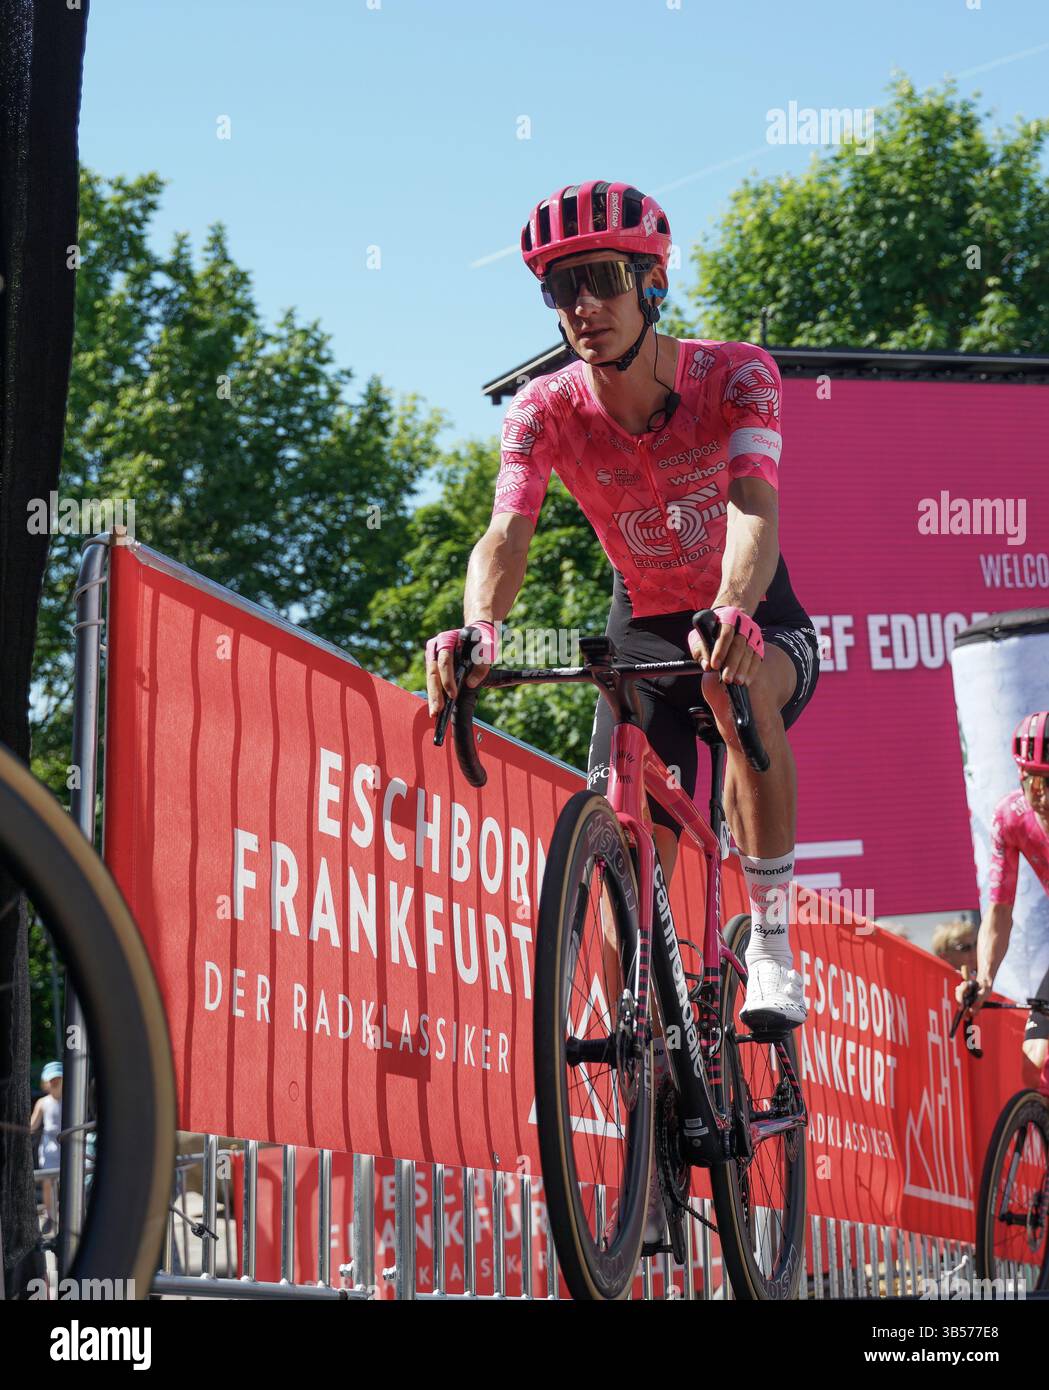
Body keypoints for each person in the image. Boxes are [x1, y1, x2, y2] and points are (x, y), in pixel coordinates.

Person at [427, 180, 820, 1027]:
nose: (583, 306)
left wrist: (731, 608)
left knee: (733, 685)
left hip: (756, 618)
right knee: (620, 828)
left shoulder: (735, 374)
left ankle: (773, 943)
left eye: (601, 277)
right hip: (642, 631)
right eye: (560, 288)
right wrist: (481, 627)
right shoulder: (542, 410)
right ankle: (639, 1066)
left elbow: (754, 505)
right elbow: (504, 534)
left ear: (652, 283)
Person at [956, 712, 1049, 1074]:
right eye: (1030, 781)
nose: (1037, 795)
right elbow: (999, 913)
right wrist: (984, 979)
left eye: (1047, 782)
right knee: (1034, 1064)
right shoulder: (1012, 818)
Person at [29, 1060, 63, 1235]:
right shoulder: (43, 1102)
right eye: (52, 1080)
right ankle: (50, 1215)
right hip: (49, 1149)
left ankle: (64, 1212)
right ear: (46, 1082)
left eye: (58, 1078)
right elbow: (33, 1125)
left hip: (67, 1148)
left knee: (67, 1181)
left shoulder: (72, 1101)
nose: (55, 1082)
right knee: (48, 1183)